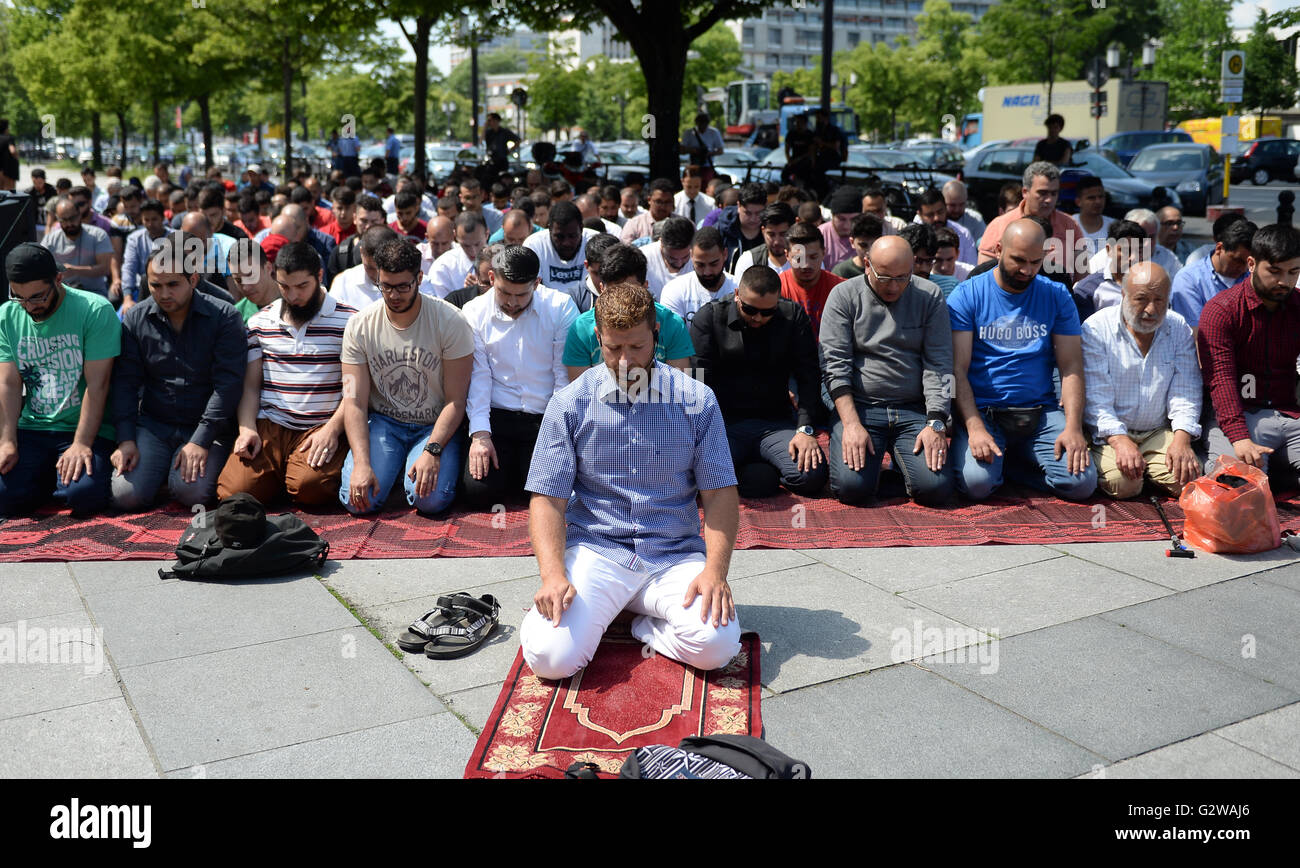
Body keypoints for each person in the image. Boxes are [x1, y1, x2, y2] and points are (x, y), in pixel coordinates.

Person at [519, 280, 742, 680]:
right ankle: (610, 610)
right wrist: (553, 575)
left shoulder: (697, 400)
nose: (624, 361)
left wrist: (715, 572)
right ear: (597, 338)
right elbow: (547, 499)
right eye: (613, 348)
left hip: (674, 552)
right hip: (598, 551)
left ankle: (641, 625)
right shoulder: (569, 403)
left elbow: (719, 492)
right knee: (551, 659)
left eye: (636, 347)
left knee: (717, 648)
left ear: (656, 334)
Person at [948, 218, 1097, 501]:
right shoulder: (967, 295)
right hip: (985, 411)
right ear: (999, 248)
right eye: (1018, 260)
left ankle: (1011, 466)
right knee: (976, 485)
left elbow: (1071, 367)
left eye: (1035, 262)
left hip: (1039, 411)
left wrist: (1073, 427)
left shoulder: (1056, 295)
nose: (1026, 270)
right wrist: (974, 427)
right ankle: (1002, 465)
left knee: (1081, 483)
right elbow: (957, 369)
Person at [337, 238, 472, 517]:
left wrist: (433, 451)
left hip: (434, 424)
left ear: (419, 278)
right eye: (386, 286)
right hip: (385, 422)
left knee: (430, 501)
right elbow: (353, 402)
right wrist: (362, 463)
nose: (394, 295)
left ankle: (410, 468)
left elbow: (456, 401)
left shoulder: (450, 321)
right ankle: (394, 469)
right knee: (358, 501)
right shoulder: (360, 325)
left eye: (403, 286)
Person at [216, 242, 356, 506]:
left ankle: (289, 475)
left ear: (319, 276)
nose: (293, 296)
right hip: (271, 425)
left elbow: (355, 390)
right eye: (284, 286)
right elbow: (250, 386)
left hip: (321, 426)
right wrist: (246, 429)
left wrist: (333, 431)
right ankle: (277, 475)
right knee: (235, 494)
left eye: (302, 286)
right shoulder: (259, 322)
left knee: (310, 490)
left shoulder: (349, 321)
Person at [109, 242, 246, 510]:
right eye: (155, 286)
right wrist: (125, 440)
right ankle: (162, 470)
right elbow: (125, 383)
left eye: (173, 284)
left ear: (193, 280)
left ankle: (172, 472)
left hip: (207, 426)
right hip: (155, 425)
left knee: (190, 492)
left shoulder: (224, 316)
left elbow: (228, 385)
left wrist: (200, 441)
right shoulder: (136, 318)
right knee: (126, 496)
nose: (164, 293)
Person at [820, 235, 954, 505]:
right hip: (861, 406)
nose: (893, 287)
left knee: (936, 489)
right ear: (867, 265)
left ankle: (898, 470)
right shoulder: (844, 295)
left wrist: (936, 421)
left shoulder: (929, 295)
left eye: (902, 278)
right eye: (884, 278)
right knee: (852, 488)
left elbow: (940, 364)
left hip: (912, 407)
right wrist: (851, 424)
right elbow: (834, 366)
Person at [0, 244, 119, 516]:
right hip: (33, 427)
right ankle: (44, 480)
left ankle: (52, 482)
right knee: (3, 498)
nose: (29, 306)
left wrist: (82, 443)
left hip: (85, 427)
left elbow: (98, 385)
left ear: (58, 279)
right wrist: (6, 441)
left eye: (38, 297)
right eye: (19, 297)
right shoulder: (7, 315)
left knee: (82, 496)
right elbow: (8, 384)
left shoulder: (94, 310)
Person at [691, 265, 827, 498]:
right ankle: (756, 474)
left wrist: (805, 429)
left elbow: (809, 376)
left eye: (767, 312)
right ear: (736, 295)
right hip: (724, 426)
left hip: (774, 423)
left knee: (811, 475)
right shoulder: (710, 317)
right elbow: (698, 381)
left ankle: (747, 472)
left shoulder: (792, 316)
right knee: (695, 478)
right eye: (750, 309)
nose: (758, 318)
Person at [461, 246, 578, 508]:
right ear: (491, 279)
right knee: (479, 494)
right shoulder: (473, 312)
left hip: (546, 418)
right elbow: (479, 378)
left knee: (550, 493)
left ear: (537, 284)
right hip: (497, 417)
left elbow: (563, 378)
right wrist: (480, 436)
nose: (512, 302)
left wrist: (558, 435)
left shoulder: (560, 308)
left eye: (521, 294)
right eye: (504, 293)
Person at [1081, 262, 1201, 499]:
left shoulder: (1178, 327)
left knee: (1187, 479)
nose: (1151, 309)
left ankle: (1149, 469)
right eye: (1141, 299)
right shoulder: (1096, 328)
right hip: (1108, 434)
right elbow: (1096, 399)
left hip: (1157, 431)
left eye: (1160, 300)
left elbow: (1186, 391)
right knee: (1125, 484)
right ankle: (1140, 471)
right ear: (1124, 295)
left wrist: (1181, 439)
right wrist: (1119, 441)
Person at [1197, 224, 1300, 477]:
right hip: (1236, 416)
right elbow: (1221, 380)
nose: (1284, 282)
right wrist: (1239, 438)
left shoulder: (1299, 305)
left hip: (1290, 415)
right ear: (1251, 264)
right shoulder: (1222, 310)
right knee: (1232, 481)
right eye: (1274, 271)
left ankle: (1277, 470)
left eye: (1293, 272)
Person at [563, 252, 694, 381]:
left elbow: (680, 388)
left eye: (637, 346)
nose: (624, 299)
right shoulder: (581, 329)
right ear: (601, 289)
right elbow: (581, 392)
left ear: (645, 286)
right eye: (614, 348)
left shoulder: (673, 324)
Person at [977, 162, 1084, 287]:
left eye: (1054, 193)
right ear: (1025, 192)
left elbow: (1082, 280)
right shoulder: (999, 226)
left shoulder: (1070, 225)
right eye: (1042, 193)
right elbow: (983, 278)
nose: (1049, 200)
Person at [1169, 217, 1255, 327]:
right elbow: (1195, 333)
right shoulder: (1189, 279)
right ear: (1219, 248)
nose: (1244, 269)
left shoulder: (1253, 275)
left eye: (1250, 262)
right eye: (1237, 260)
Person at [659, 228, 737, 324]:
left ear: (725, 254)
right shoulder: (674, 290)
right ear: (691, 255)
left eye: (713, 264)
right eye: (700, 265)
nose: (707, 272)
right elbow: (672, 335)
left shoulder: (739, 288)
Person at [42, 196, 114, 300]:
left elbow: (104, 268)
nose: (69, 224)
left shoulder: (98, 235)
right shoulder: (50, 239)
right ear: (58, 220)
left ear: (80, 215)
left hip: (93, 293)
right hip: (61, 294)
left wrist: (75, 270)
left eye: (72, 218)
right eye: (64, 220)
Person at [780, 221, 843, 338]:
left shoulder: (841, 290)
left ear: (824, 253)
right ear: (787, 255)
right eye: (798, 259)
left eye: (813, 257)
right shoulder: (777, 289)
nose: (806, 265)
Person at [1071, 220, 1149, 315]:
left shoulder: (1154, 284)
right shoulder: (1087, 289)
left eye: (1139, 251)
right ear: (1109, 250)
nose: (1133, 257)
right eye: (1125, 250)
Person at [523, 200, 596, 297]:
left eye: (572, 236)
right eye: (559, 236)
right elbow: (530, 289)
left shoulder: (595, 243)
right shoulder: (534, 244)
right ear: (549, 229)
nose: (566, 243)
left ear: (581, 228)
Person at [330, 226, 409, 310]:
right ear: (361, 252)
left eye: (385, 268)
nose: (377, 276)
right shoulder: (342, 283)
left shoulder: (418, 283)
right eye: (370, 268)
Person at [120, 199, 173, 310]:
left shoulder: (177, 237)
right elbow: (129, 268)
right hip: (141, 290)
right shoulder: (134, 239)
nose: (150, 224)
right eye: (146, 220)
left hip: (171, 289)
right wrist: (127, 298)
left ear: (162, 218)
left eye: (154, 219)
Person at [424, 212, 487, 298]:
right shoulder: (442, 268)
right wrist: (467, 294)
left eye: (477, 244)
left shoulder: (500, 261)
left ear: (487, 234)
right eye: (466, 245)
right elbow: (441, 308)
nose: (473, 251)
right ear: (455, 236)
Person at [914, 188, 977, 266]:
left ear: (946, 208)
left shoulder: (963, 234)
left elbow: (972, 268)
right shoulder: (913, 236)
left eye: (940, 212)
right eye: (930, 215)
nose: (936, 218)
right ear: (920, 215)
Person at [329, 194, 387, 278]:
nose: (368, 226)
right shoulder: (340, 253)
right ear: (355, 218)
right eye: (364, 221)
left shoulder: (394, 249)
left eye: (374, 222)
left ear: (382, 220)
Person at [642, 215, 696, 299]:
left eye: (685, 257)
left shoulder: (701, 260)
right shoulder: (642, 259)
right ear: (661, 243)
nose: (679, 263)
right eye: (672, 258)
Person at [733, 202, 795, 275]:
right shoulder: (749, 260)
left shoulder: (802, 259)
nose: (777, 241)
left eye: (783, 234)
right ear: (763, 231)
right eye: (771, 235)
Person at [227, 240, 281, 322]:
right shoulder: (236, 316)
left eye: (251, 276)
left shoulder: (296, 300)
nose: (245, 288)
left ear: (268, 268)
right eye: (238, 280)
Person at [620, 179, 675, 244]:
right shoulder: (634, 224)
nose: (663, 206)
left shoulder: (682, 225)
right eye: (658, 202)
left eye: (667, 202)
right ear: (649, 200)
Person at [819, 186, 862, 270]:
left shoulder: (869, 235)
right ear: (832, 216)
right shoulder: (820, 235)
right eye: (841, 219)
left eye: (854, 219)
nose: (847, 225)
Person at [831, 213, 884, 280]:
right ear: (852, 242)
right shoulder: (841, 272)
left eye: (874, 245)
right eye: (863, 245)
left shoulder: (890, 268)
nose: (869, 250)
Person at [680, 112, 725, 188]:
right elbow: (681, 150)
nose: (702, 125)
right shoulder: (689, 133)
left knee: (707, 185)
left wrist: (709, 153)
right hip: (693, 165)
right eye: (700, 123)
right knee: (692, 185)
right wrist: (694, 151)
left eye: (704, 123)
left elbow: (720, 150)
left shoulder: (714, 132)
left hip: (707, 166)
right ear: (697, 123)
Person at [1072, 176, 1112, 256]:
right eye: (1091, 198)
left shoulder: (1113, 226)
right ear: (1078, 202)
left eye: (1101, 197)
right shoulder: (1068, 224)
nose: (1098, 201)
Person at [484, 112, 520, 178]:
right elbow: (481, 141)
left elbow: (518, 140)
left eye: (490, 120)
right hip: (492, 160)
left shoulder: (504, 132)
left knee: (502, 178)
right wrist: (484, 127)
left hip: (502, 160)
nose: (489, 122)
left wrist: (510, 150)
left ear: (496, 121)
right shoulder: (488, 132)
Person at [0, 119, 17, 192]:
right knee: (8, 193)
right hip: (8, 171)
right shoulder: (9, 138)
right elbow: (12, 151)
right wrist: (17, 156)